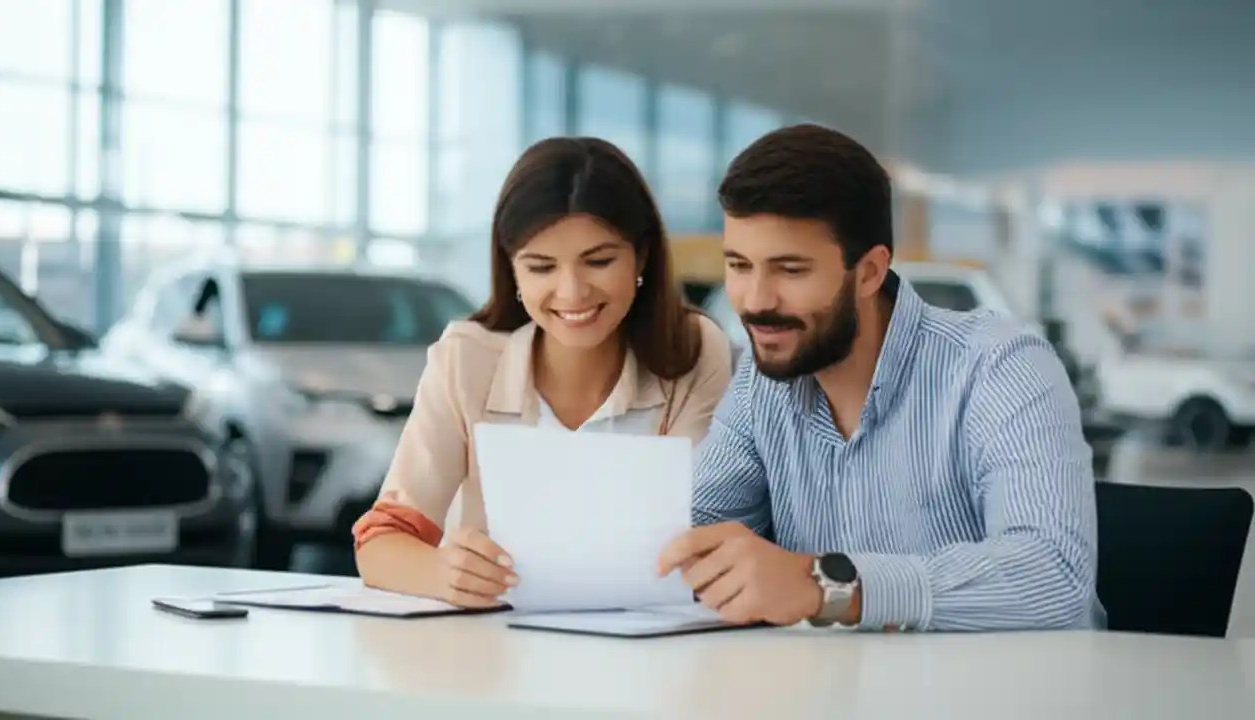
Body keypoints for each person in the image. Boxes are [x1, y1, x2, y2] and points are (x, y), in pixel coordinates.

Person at [658, 124, 1100, 632]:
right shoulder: (766, 381)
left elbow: (1053, 579)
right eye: (739, 265)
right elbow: (689, 535)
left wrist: (825, 586)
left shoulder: (1000, 368)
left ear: (869, 272)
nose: (755, 301)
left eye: (791, 270)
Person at [353, 137, 733, 607]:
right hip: (493, 655)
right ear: (512, 269)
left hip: (647, 653)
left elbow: (703, 530)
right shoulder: (466, 359)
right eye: (541, 267)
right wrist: (440, 571)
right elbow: (381, 541)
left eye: (598, 261)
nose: (571, 291)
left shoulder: (694, 350)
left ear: (643, 256)